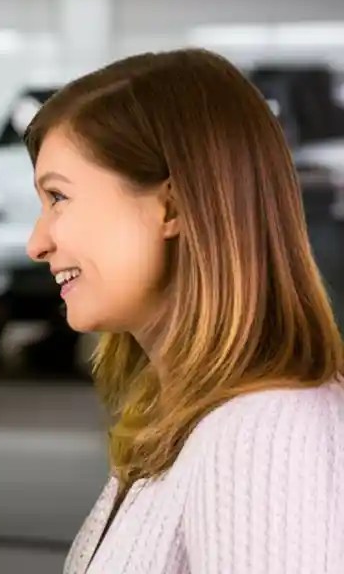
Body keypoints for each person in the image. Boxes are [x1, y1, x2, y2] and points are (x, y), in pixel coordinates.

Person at [22, 48, 344, 573]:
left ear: (171, 206)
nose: (36, 243)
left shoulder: (263, 433)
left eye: (57, 197)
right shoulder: (189, 419)